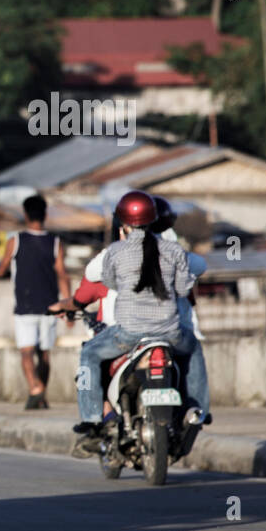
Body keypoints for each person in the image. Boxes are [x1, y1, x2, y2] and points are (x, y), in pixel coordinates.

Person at [71, 190, 210, 456]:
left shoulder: (115, 252)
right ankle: (197, 409)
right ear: (154, 219)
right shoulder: (173, 251)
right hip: (170, 333)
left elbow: (110, 282)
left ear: (122, 223)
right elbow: (183, 288)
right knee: (194, 350)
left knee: (88, 354)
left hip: (128, 335)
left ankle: (91, 417)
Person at [0, 194, 70, 409]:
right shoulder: (55, 243)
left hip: (25, 306)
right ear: (45, 215)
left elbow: (2, 268)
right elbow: (62, 274)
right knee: (44, 354)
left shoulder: (15, 241)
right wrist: (68, 305)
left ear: (25, 215)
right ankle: (41, 394)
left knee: (26, 352)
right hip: (50, 306)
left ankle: (35, 388)